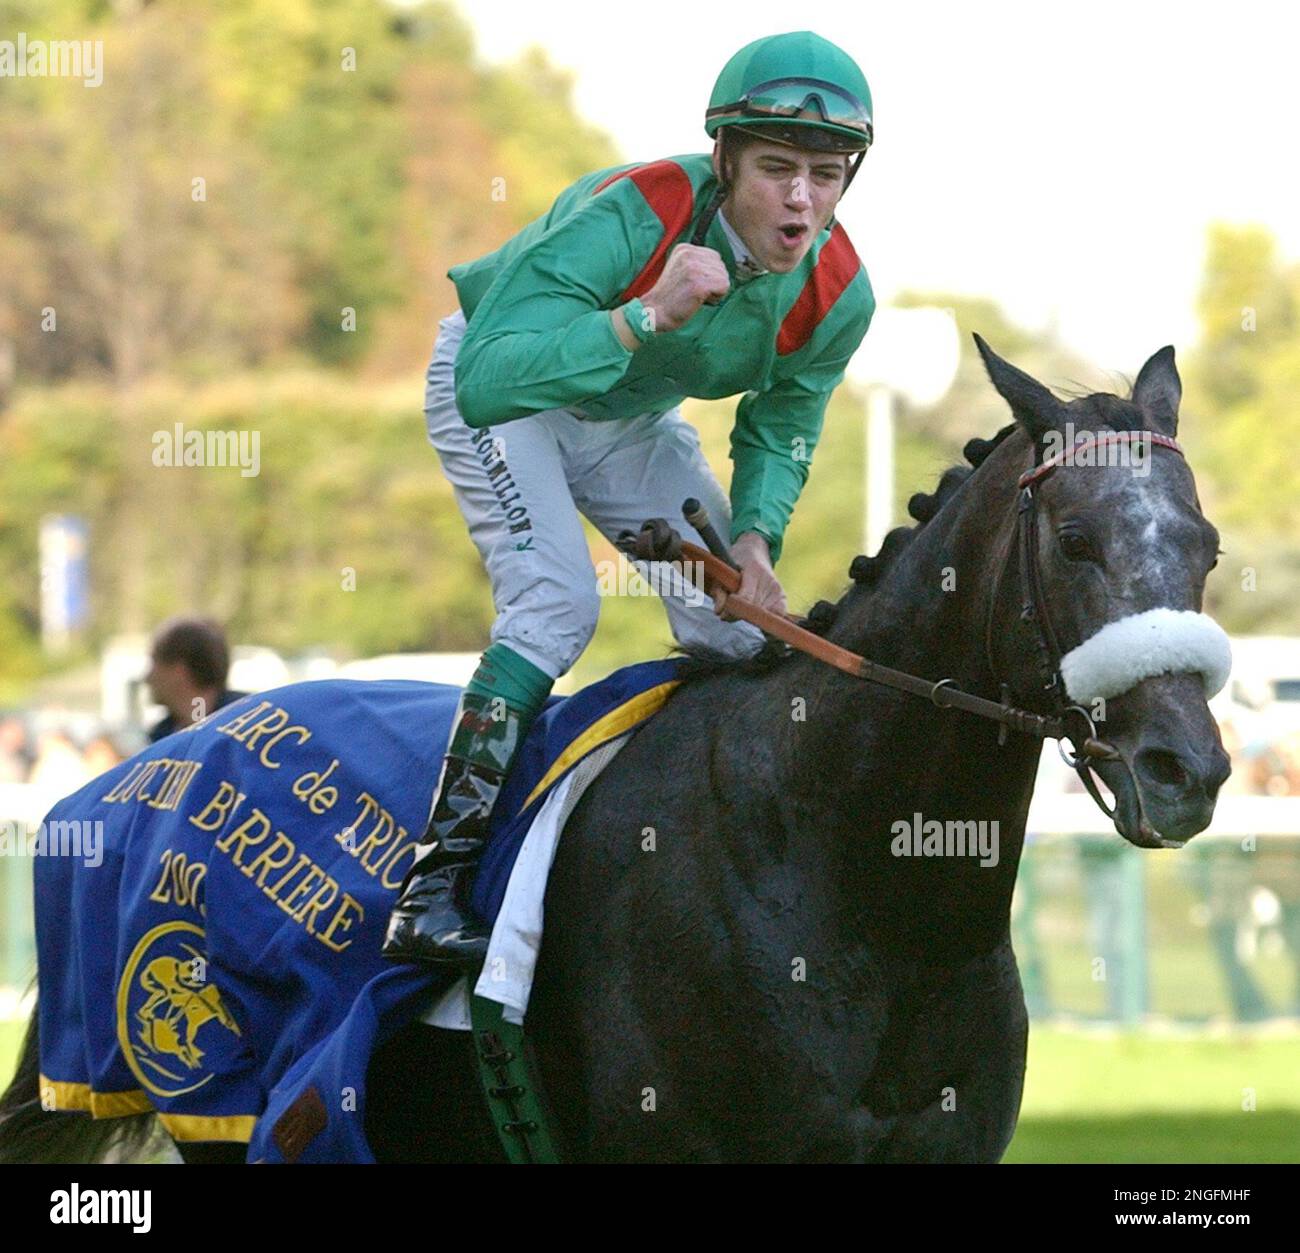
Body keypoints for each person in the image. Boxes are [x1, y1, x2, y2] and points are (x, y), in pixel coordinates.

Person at [384, 31, 877, 965]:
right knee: (556, 605)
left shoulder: (840, 295)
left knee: (741, 626)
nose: (803, 198)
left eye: (826, 172)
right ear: (725, 160)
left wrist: (761, 542)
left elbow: (781, 425)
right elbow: (489, 379)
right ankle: (432, 885)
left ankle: (695, 858)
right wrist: (644, 314)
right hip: (511, 386)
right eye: (777, 168)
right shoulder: (639, 209)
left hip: (625, 419)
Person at [145, 617, 246, 742]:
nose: (147, 678)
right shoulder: (162, 735)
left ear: (179, 670)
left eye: (155, 663)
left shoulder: (249, 724)